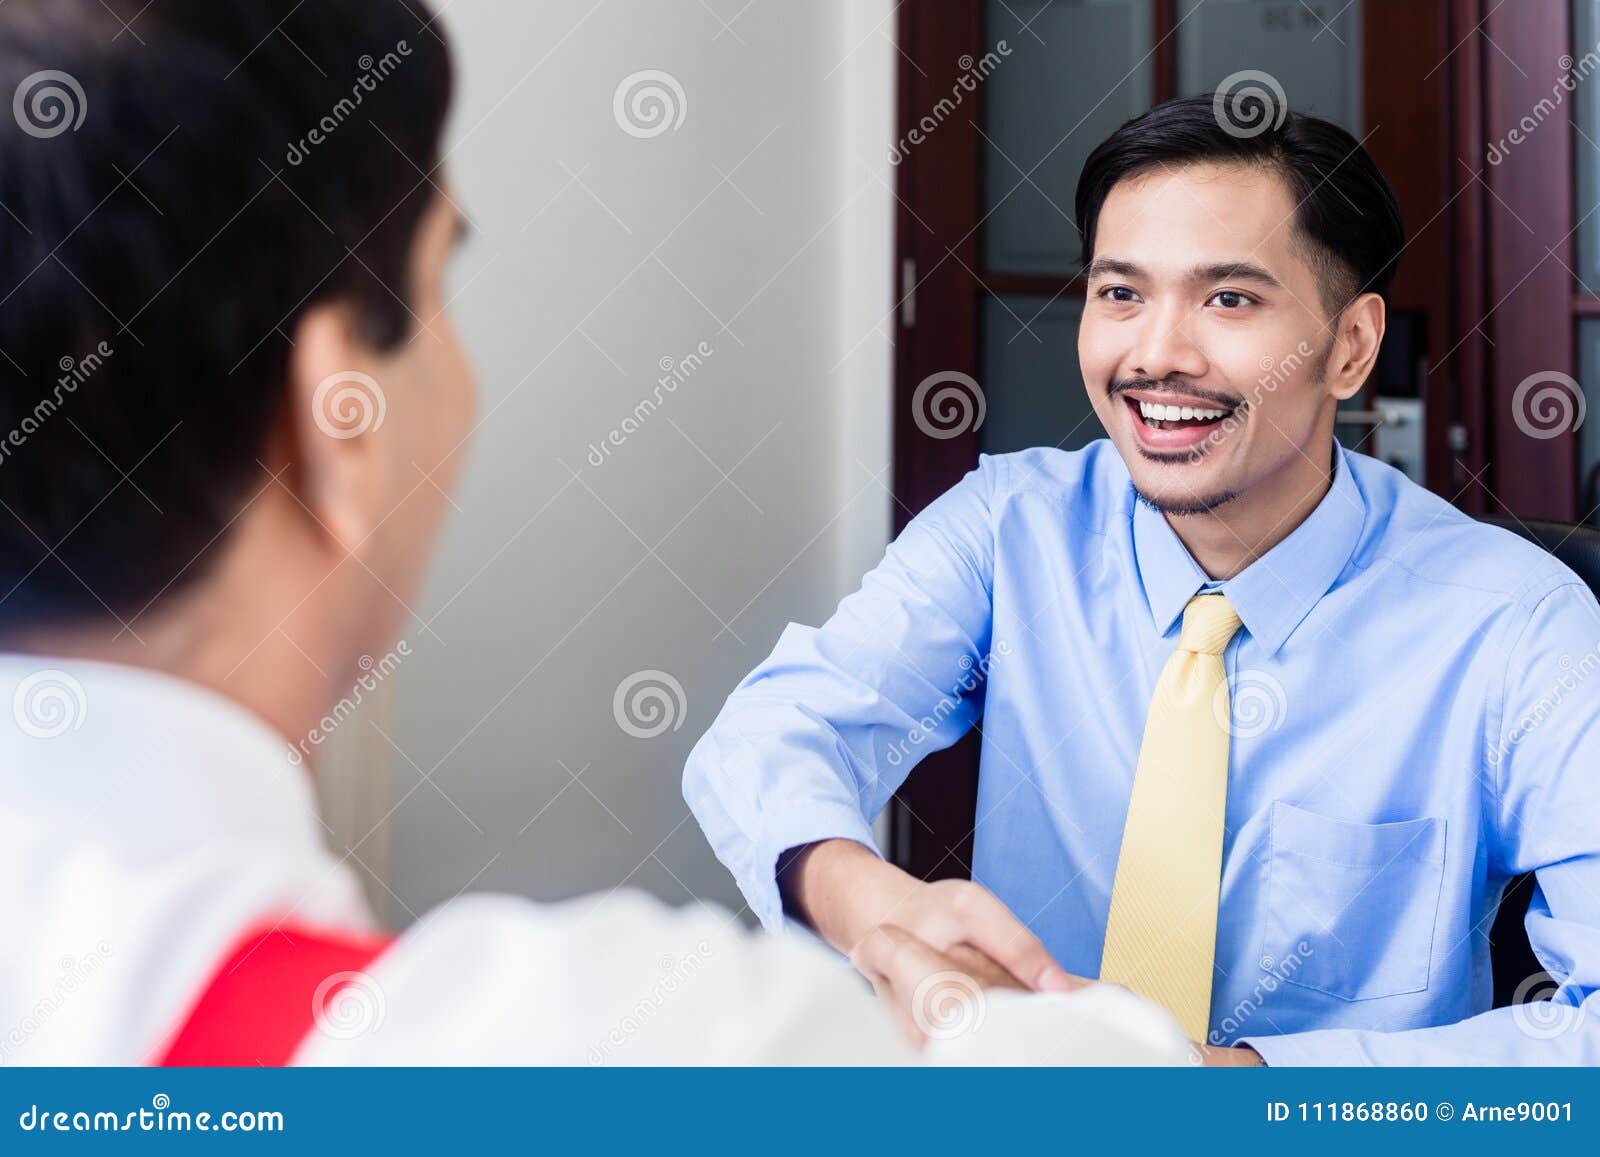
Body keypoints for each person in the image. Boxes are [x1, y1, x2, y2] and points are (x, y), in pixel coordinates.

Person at [0, 0, 1191, 1066]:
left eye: (1229, 296)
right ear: (340, 421)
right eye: (437, 291)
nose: (1158, 352)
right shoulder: (576, 1051)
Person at [684, 93, 1600, 1065]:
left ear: (1349, 347)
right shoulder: (1011, 529)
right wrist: (873, 910)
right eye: (1120, 293)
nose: (1156, 355)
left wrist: (1231, 1091)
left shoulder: (1517, 622)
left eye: (1228, 298)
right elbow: (773, 731)